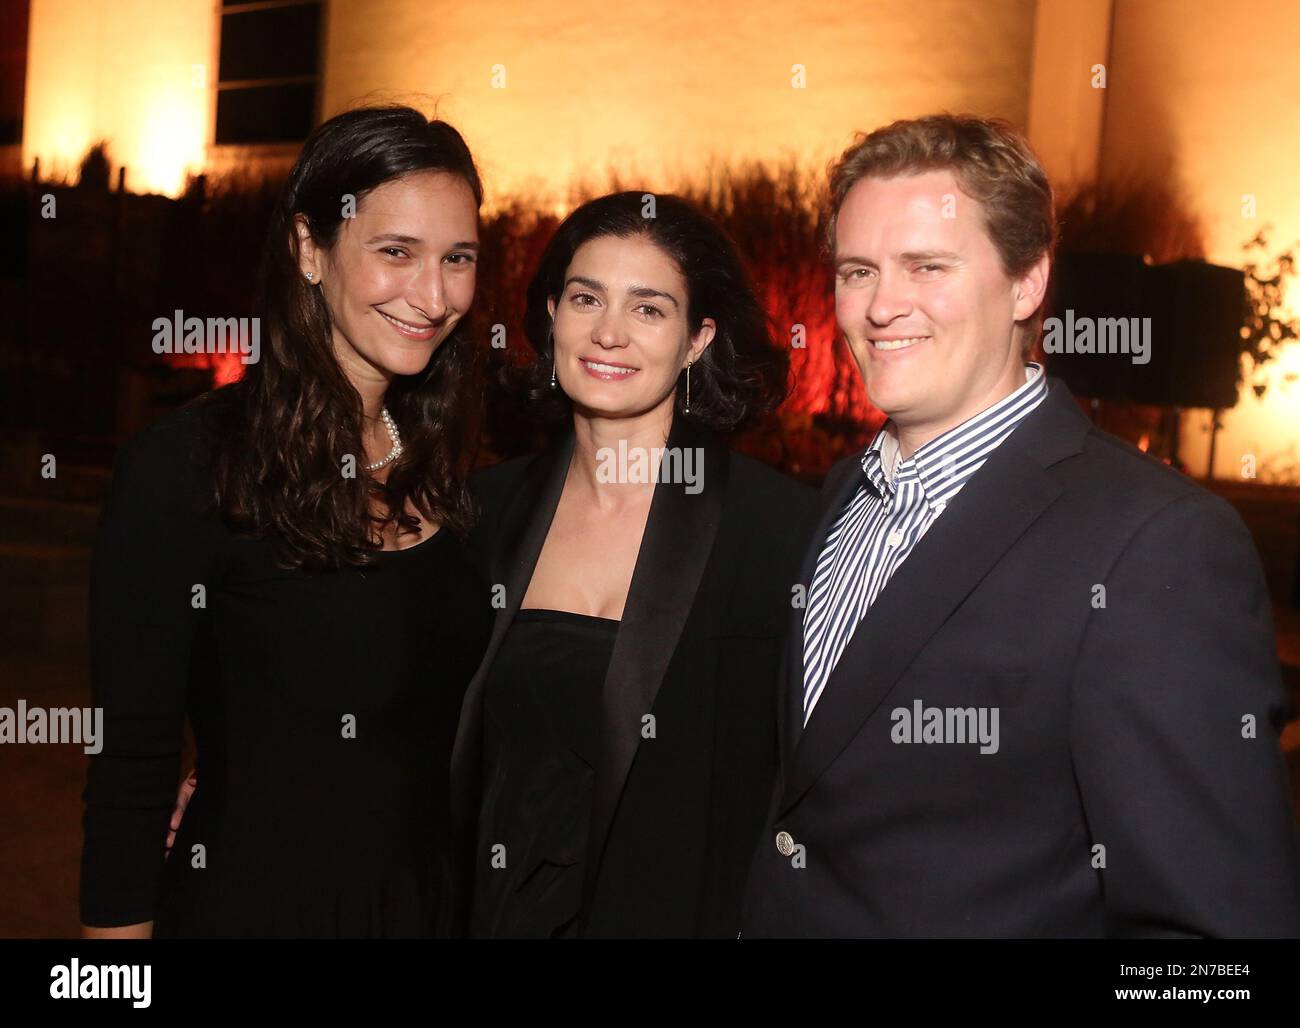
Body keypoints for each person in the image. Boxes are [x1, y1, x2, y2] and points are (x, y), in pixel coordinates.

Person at [741, 114, 1300, 937]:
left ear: (1029, 281)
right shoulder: (836, 501)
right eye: (858, 270)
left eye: (926, 266)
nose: (881, 305)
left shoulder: (1156, 543)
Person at [79, 106, 493, 938]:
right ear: (311, 249)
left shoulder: (450, 472)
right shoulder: (188, 468)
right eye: (395, 252)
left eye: (458, 259)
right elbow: (131, 767)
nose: (435, 294)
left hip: (429, 910)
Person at [448, 192, 819, 938]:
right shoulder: (480, 514)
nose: (608, 332)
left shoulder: (777, 532)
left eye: (648, 309)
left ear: (696, 339)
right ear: (553, 312)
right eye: (586, 298)